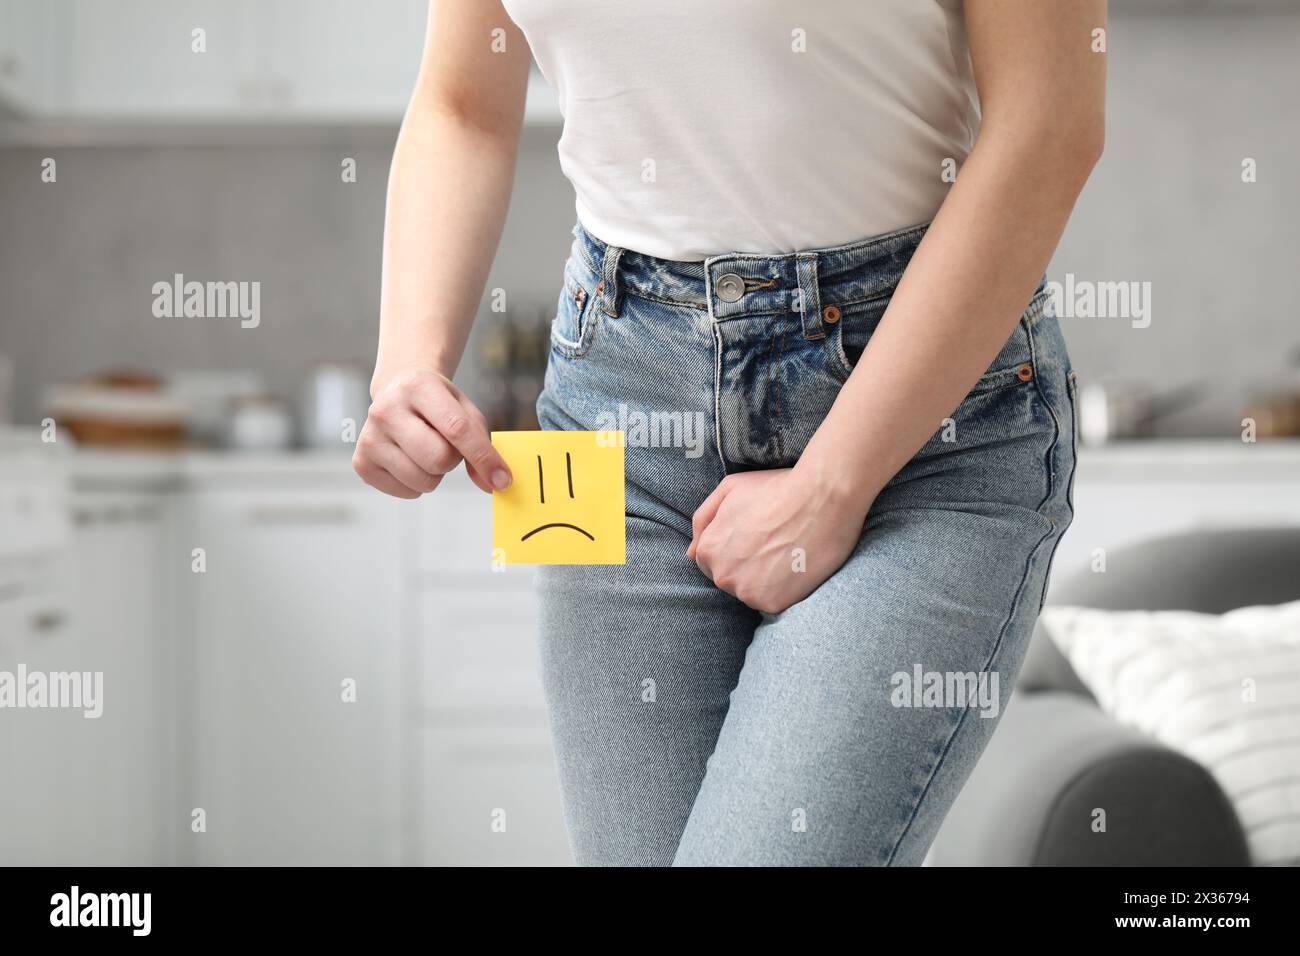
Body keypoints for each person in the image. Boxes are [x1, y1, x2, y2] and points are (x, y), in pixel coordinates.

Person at [354, 0, 1106, 866]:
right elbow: (462, 104)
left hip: (922, 418)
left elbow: (1051, 128)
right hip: (608, 400)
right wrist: (408, 361)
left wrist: (834, 482)